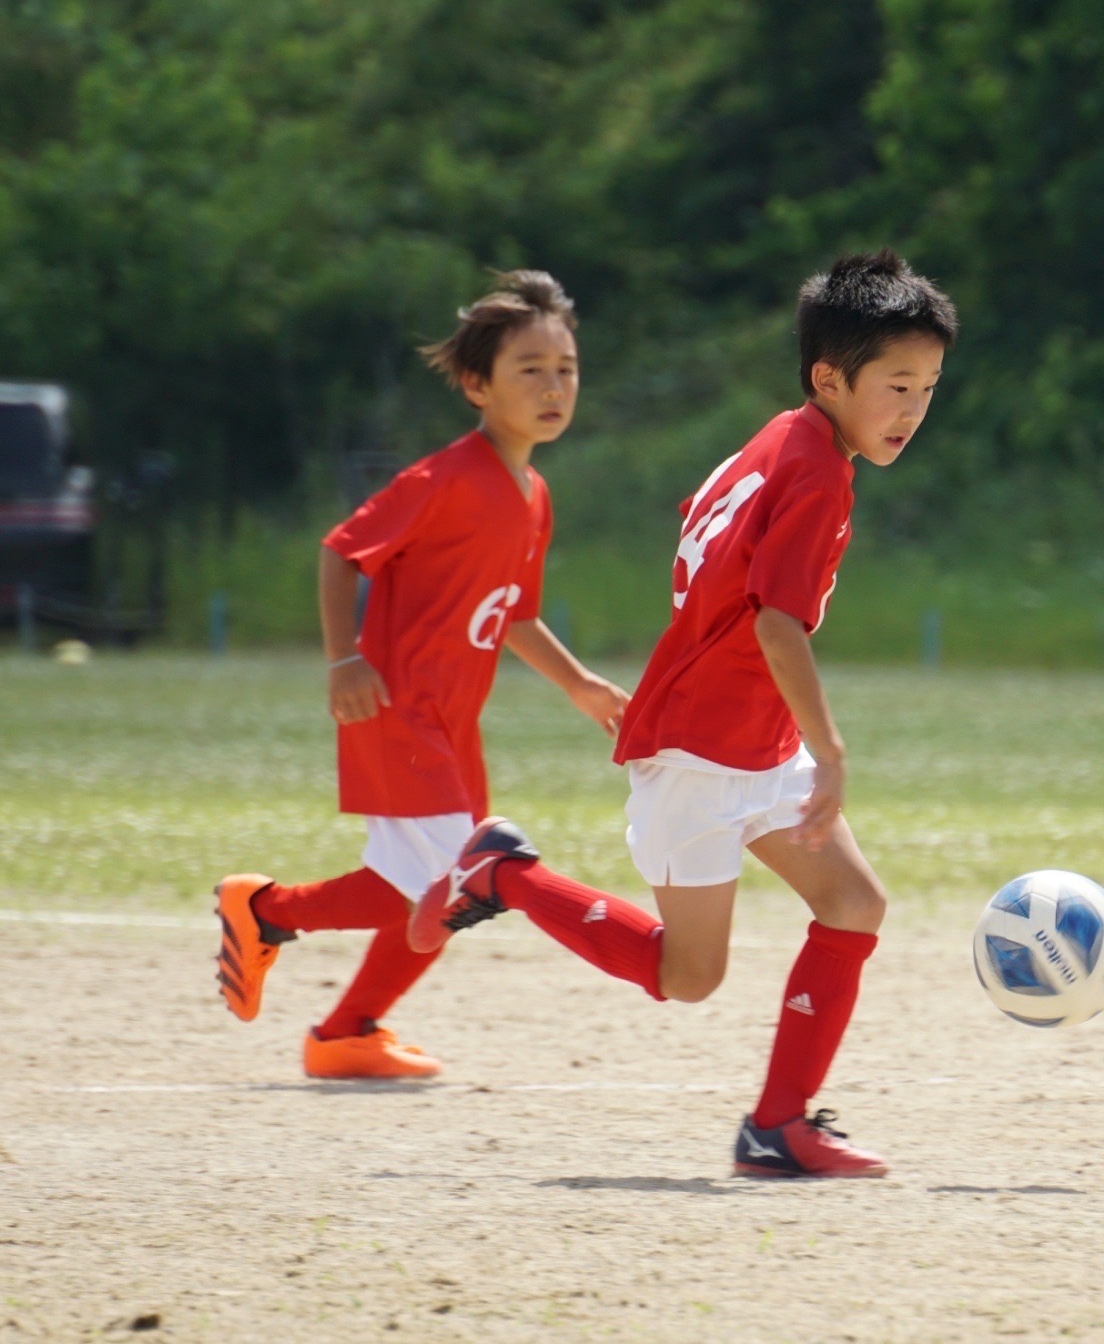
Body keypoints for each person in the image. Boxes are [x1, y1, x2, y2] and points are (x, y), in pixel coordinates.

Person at [406, 250, 958, 1179]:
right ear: (831, 377)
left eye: (929, 387)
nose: (912, 408)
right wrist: (829, 747)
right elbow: (777, 622)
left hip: (745, 734)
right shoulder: (819, 476)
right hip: (704, 751)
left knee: (854, 903)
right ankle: (506, 875)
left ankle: (777, 1126)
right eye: (896, 384)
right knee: (686, 974)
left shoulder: (785, 437)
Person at [212, 271, 630, 1079]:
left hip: (450, 723)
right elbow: (341, 551)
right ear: (478, 385)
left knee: (436, 890)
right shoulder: (444, 480)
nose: (553, 386)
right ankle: (263, 911)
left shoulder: (533, 493)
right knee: (449, 886)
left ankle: (345, 1033)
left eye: (567, 368)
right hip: (397, 707)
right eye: (530, 369)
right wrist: (344, 657)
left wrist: (577, 682)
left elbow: (513, 615)